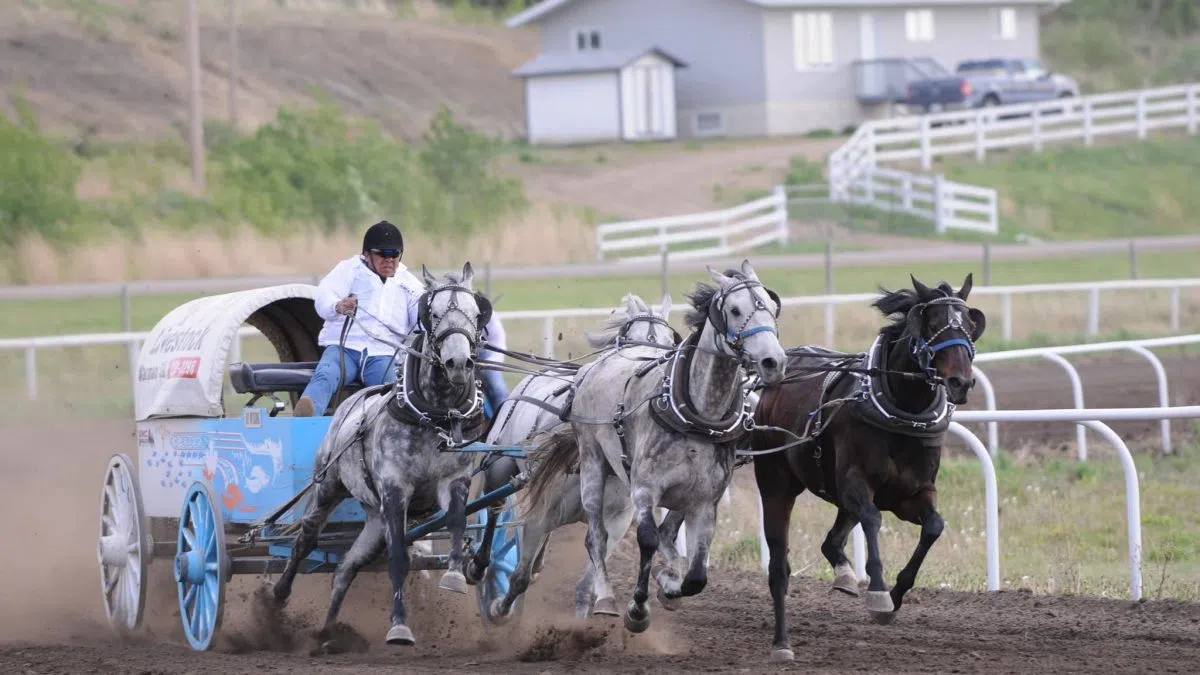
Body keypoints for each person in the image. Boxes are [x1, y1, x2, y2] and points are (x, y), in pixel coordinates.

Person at [294, 220, 423, 417]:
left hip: (384, 354)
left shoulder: (409, 283)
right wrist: (338, 306)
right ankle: (306, 419)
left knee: (391, 392)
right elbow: (324, 297)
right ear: (367, 254)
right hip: (344, 349)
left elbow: (419, 320)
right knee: (325, 375)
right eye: (382, 254)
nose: (389, 260)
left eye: (395, 254)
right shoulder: (348, 270)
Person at [478, 312, 510, 419]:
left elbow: (499, 345)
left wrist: (486, 363)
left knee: (498, 389)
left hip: (487, 357)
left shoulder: (490, 317)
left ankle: (504, 421)